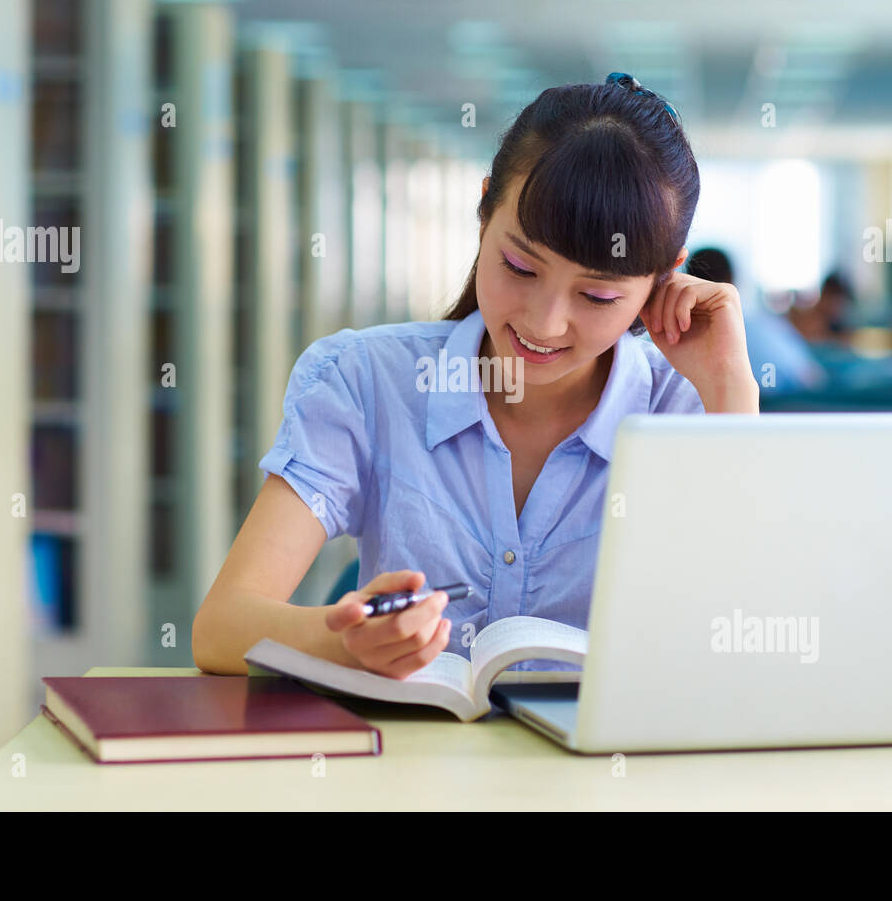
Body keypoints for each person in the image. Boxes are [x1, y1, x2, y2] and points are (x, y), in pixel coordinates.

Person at [193, 76, 759, 678]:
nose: (545, 322)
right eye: (519, 266)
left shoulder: (685, 408)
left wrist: (730, 390)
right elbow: (221, 628)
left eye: (596, 296)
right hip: (412, 770)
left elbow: (741, 654)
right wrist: (344, 642)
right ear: (485, 209)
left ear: (663, 278)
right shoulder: (367, 383)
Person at [687, 247, 828, 393]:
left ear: (687, 279)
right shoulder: (763, 326)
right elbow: (810, 376)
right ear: (732, 280)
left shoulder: (676, 340)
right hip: (789, 405)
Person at [788, 271, 856, 344]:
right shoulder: (804, 320)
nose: (837, 308)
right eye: (835, 301)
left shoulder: (833, 326)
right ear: (825, 295)